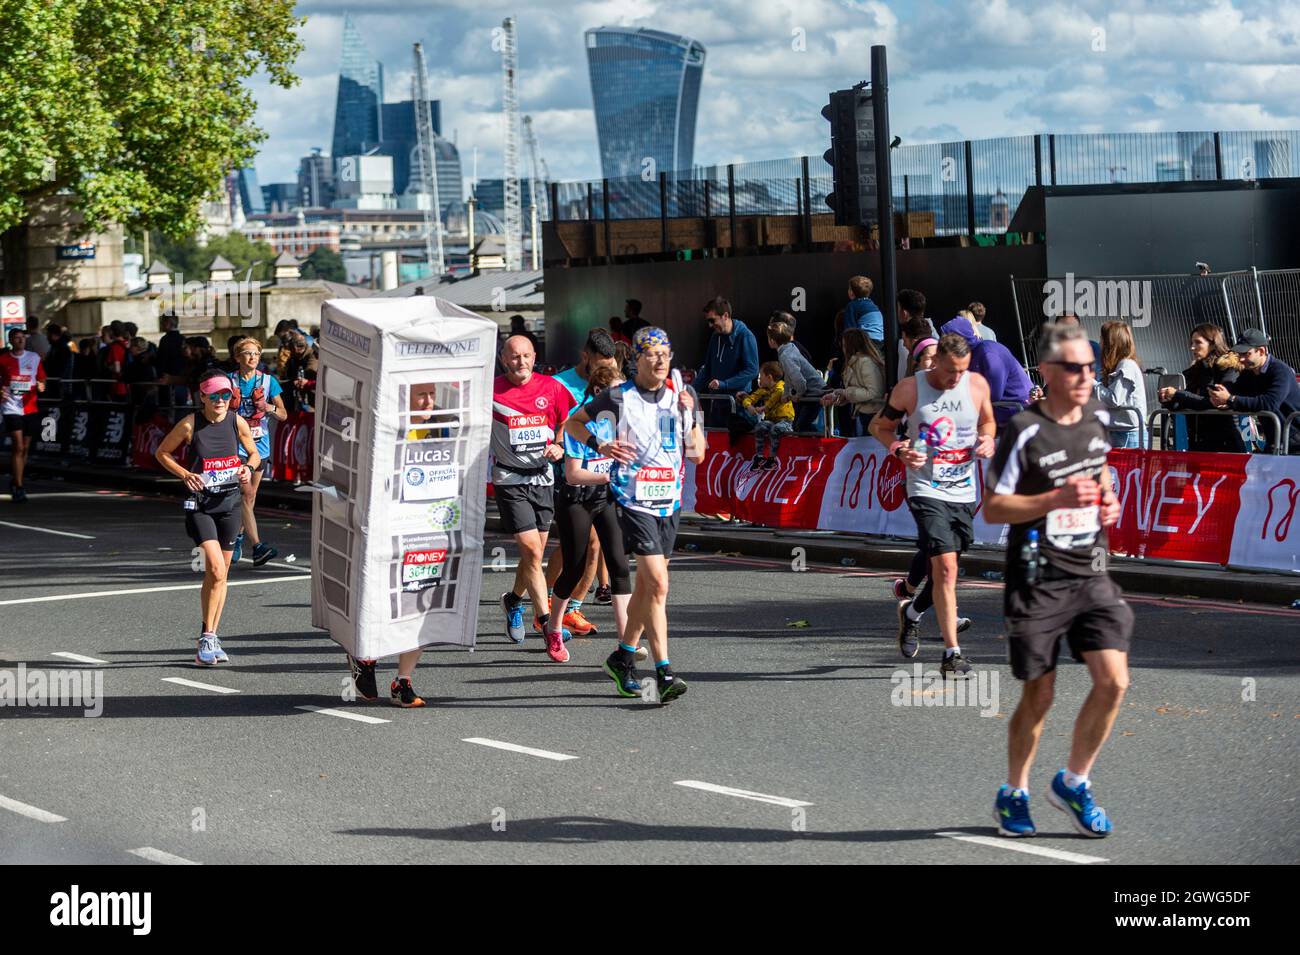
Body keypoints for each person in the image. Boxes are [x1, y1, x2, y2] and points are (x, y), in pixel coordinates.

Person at [984, 321, 1133, 838]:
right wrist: (1052, 500)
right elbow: (995, 507)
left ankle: (1074, 782)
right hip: (1037, 575)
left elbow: (1100, 467)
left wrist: (1108, 497)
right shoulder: (1023, 429)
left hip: (1091, 569)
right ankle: (1014, 792)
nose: (1086, 376)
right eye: (1074, 368)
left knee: (1114, 681)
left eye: (1090, 367)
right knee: (1040, 696)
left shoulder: (1097, 414)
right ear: (1046, 372)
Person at [563, 326, 705, 703]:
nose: (660, 361)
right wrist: (602, 444)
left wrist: (691, 420)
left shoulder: (683, 395)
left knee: (648, 587)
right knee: (658, 583)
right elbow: (573, 424)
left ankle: (623, 657)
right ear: (637, 359)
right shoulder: (618, 397)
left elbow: (698, 453)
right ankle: (664, 671)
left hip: (669, 502)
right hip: (632, 499)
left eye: (666, 354)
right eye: (652, 354)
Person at [870, 333, 996, 676]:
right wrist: (898, 449)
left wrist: (987, 440)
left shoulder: (977, 385)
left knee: (947, 567)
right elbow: (879, 425)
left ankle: (911, 613)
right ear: (936, 361)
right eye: (952, 370)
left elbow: (988, 421)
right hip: (925, 487)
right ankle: (952, 653)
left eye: (963, 370)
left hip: (963, 490)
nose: (957, 378)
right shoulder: (910, 389)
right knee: (945, 568)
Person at [344, 384, 447, 707]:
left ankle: (403, 681)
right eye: (421, 395)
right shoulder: (387, 429)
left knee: (420, 604)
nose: (429, 401)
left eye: (432, 395)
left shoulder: (443, 428)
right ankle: (365, 656)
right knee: (384, 602)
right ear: (406, 397)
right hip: (388, 528)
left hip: (428, 527)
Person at [155, 370, 259, 665]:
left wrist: (247, 468)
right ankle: (207, 638)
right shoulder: (190, 424)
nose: (221, 400)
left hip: (230, 504)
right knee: (213, 565)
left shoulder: (236, 421)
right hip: (200, 505)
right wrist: (186, 474)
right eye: (214, 395)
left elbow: (253, 453)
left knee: (220, 574)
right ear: (202, 397)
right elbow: (162, 453)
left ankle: (209, 635)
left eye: (226, 395)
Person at [543, 365, 638, 663]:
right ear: (599, 393)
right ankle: (554, 627)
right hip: (576, 499)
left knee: (620, 566)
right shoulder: (579, 421)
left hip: (604, 498)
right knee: (574, 567)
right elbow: (572, 474)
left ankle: (626, 644)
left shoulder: (619, 420)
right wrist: (611, 476)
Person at [493, 334, 576, 644]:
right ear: (503, 359)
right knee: (530, 551)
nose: (521, 362)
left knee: (535, 555)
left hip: (542, 478)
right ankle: (545, 622)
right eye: (514, 356)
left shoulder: (552, 387)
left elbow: (567, 422)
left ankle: (514, 599)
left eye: (526, 355)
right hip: (509, 479)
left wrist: (558, 444)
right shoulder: (491, 392)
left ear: (534, 356)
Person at [545, 329, 620, 636]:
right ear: (585, 356)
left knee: (594, 545)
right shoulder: (560, 384)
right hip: (568, 475)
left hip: (600, 478)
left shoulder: (613, 382)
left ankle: (571, 608)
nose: (605, 371)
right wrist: (557, 445)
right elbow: (551, 425)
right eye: (600, 364)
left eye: (610, 364)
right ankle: (545, 605)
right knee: (571, 548)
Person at [227, 337, 287, 566]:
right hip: (235, 444)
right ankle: (258, 546)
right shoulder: (229, 380)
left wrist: (268, 407)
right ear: (237, 357)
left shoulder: (268, 381)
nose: (252, 357)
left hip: (259, 445)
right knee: (246, 493)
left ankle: (236, 538)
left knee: (249, 497)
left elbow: (283, 414)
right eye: (247, 353)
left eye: (256, 354)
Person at [1208, 329, 1300, 454]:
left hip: (1294, 439)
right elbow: (1237, 391)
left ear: (1261, 351)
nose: (1241, 359)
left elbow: (1270, 403)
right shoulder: (1249, 373)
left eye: (1246, 354)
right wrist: (1219, 393)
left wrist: (1230, 399)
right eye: (1239, 354)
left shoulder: (1280, 371)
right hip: (1276, 439)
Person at [1157, 324, 1244, 453]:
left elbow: (1212, 402)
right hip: (1197, 443)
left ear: (1213, 344)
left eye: (1198, 343)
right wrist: (1168, 399)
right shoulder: (1194, 371)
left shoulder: (1228, 369)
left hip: (1225, 444)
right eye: (1192, 342)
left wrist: (1178, 395)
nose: (1192, 347)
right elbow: (1183, 403)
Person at [940, 314, 1032, 427]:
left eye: (947, 339)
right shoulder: (968, 356)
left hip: (1016, 412)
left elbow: (993, 395)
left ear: (959, 338)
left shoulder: (988, 353)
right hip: (999, 412)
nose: (943, 344)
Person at [697, 296, 759, 430]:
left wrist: (725, 384)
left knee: (735, 448)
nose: (710, 325)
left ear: (725, 316)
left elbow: (752, 370)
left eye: (712, 320)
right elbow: (707, 369)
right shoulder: (715, 337)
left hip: (737, 405)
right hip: (718, 404)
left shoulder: (745, 336)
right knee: (714, 444)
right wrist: (690, 391)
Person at [1, 328, 47, 502]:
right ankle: (19, 487)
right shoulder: (3, 359)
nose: (20, 341)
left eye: (22, 338)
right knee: (18, 446)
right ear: (11, 340)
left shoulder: (34, 358)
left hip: (30, 407)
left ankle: (16, 478)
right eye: (17, 338)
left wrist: (42, 385)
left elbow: (42, 378)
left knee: (26, 448)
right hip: (11, 407)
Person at [822, 329, 886, 438]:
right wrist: (838, 395)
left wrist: (845, 393)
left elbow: (873, 392)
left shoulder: (865, 362)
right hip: (864, 414)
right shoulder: (854, 362)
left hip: (872, 415)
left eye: (844, 345)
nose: (842, 348)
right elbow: (857, 390)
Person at [1095, 322, 1148, 449]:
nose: (1100, 343)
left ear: (1110, 342)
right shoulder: (1120, 365)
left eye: (1102, 339)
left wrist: (1092, 384)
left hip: (1128, 435)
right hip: (1119, 433)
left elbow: (1114, 399)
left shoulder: (1126, 365)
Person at [767, 316, 823, 432]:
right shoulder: (788, 348)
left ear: (772, 341)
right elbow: (789, 375)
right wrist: (786, 393)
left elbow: (799, 381)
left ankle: (821, 444)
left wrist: (798, 394)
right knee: (797, 425)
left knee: (800, 426)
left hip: (814, 393)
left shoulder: (786, 356)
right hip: (810, 392)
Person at [741, 361, 794, 469]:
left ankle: (772, 459)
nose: (759, 379)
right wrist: (749, 406)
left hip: (785, 421)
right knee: (760, 426)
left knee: (775, 429)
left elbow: (774, 399)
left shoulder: (781, 388)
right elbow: (750, 398)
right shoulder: (763, 390)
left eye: (761, 376)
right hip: (772, 420)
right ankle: (760, 457)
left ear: (769, 377)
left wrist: (762, 408)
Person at [895, 290, 939, 383]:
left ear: (904, 313)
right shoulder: (932, 333)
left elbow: (903, 379)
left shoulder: (907, 342)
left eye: (898, 309)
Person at [844, 275, 884, 349]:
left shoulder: (852, 305)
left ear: (852, 293)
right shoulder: (872, 304)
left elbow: (850, 330)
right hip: (881, 341)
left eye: (849, 288)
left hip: (867, 342)